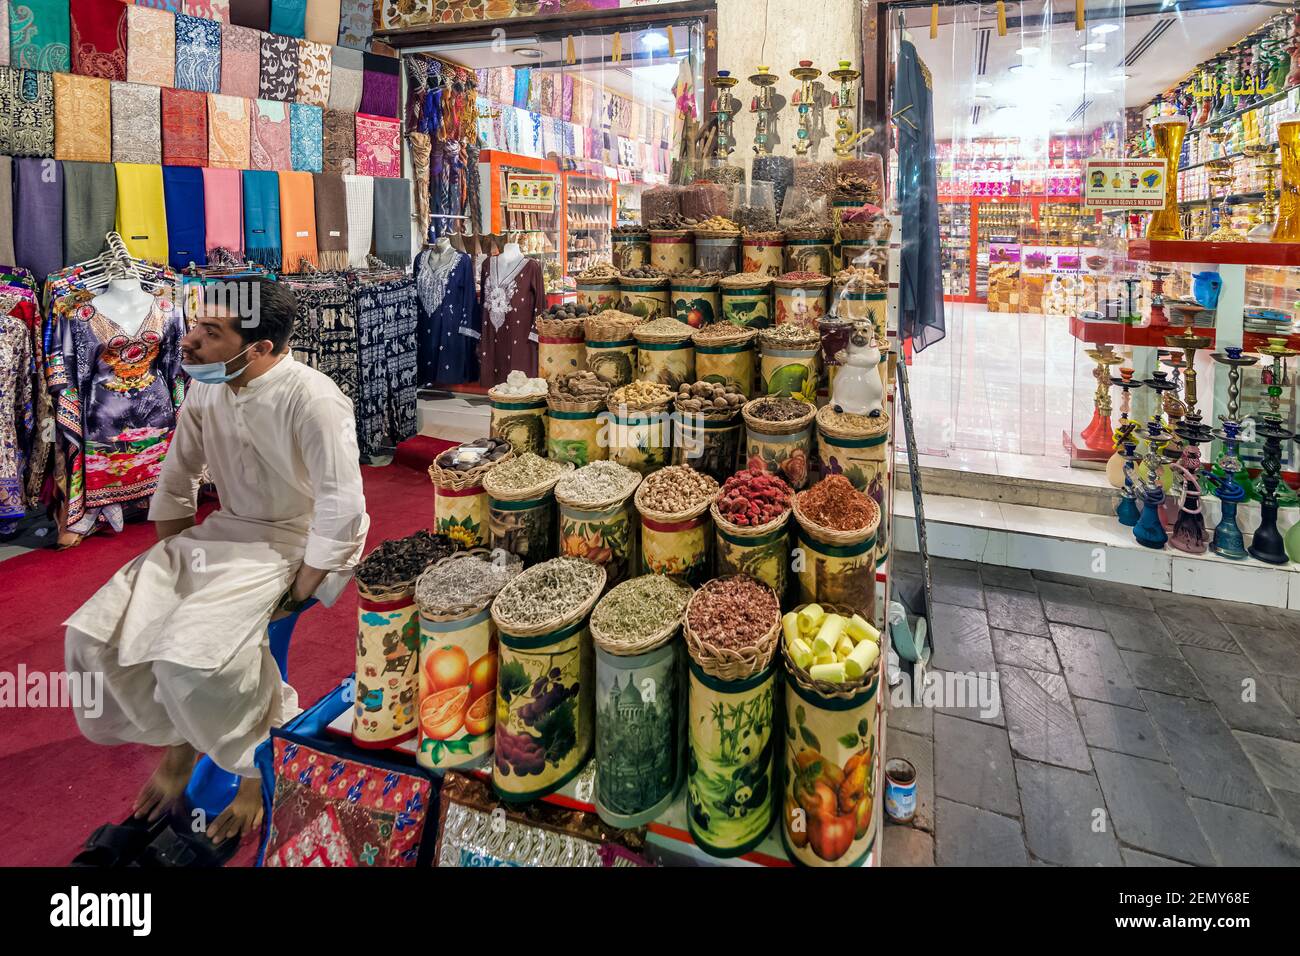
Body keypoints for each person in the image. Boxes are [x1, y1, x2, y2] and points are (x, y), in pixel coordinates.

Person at [65, 278, 369, 847]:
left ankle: (257, 765)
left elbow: (340, 503)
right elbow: (178, 477)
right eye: (197, 325)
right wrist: (172, 560)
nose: (189, 341)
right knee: (95, 638)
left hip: (290, 543)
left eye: (212, 333)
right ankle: (186, 743)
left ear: (262, 348)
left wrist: (300, 589)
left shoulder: (314, 397)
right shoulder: (209, 388)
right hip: (224, 535)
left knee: (195, 661)